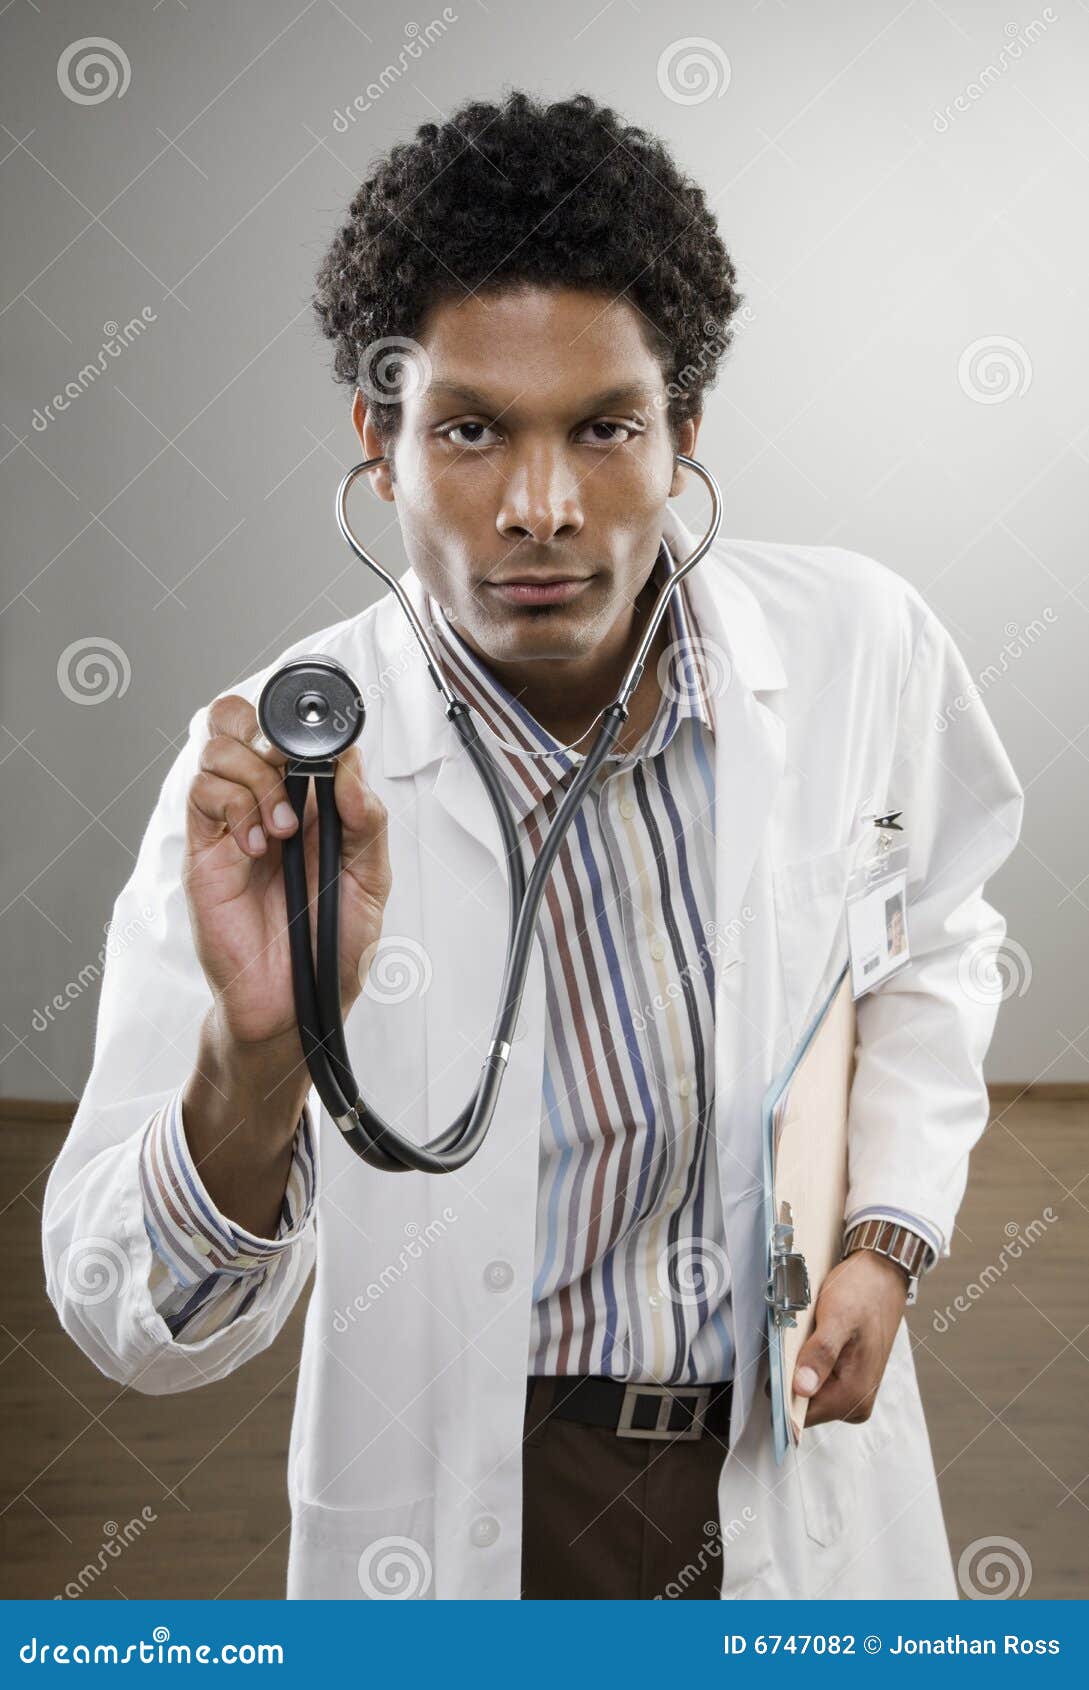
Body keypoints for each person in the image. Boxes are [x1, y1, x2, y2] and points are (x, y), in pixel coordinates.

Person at [42, 89, 1023, 1601]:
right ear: (380, 443)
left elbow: (936, 936)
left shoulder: (853, 646)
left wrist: (883, 1237)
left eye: (607, 427)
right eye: (472, 430)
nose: (543, 506)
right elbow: (129, 1321)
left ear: (684, 429)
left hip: (797, 1472)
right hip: (482, 1510)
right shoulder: (271, 776)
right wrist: (254, 1062)